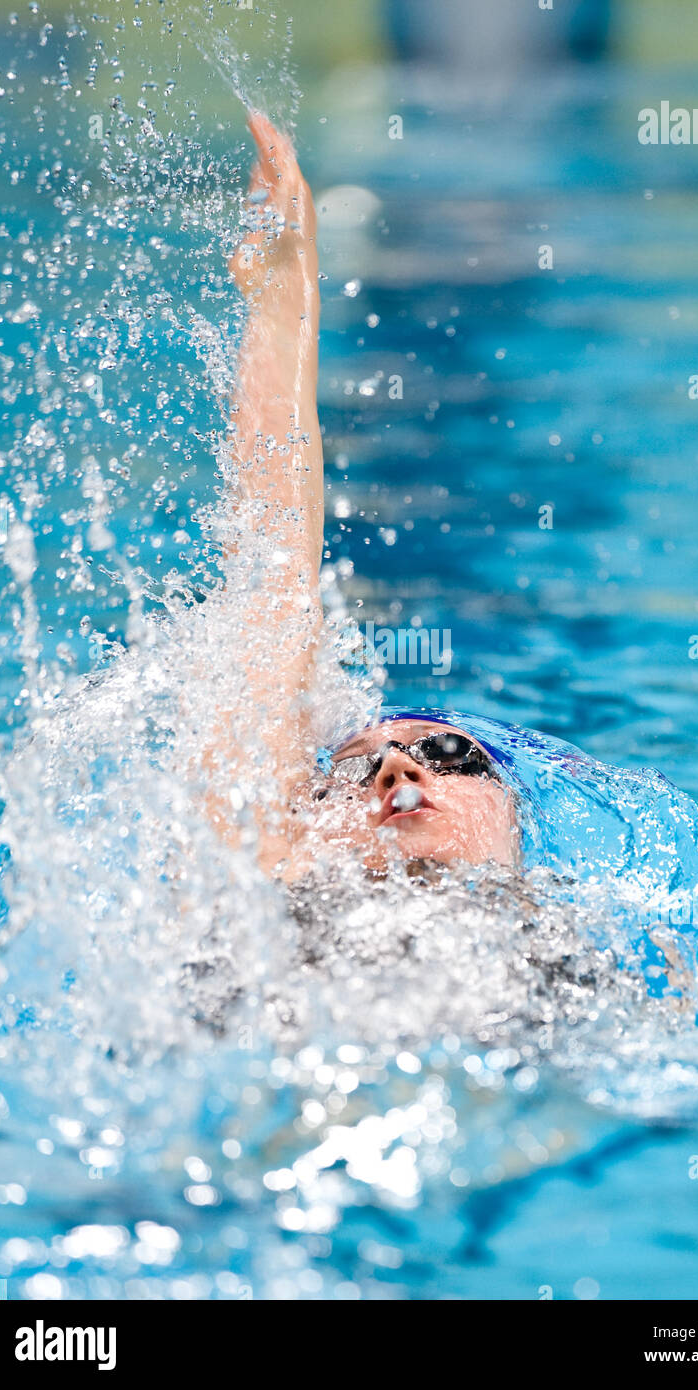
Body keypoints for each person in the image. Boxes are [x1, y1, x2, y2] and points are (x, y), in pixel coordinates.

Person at [205, 113, 519, 883]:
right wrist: (279, 299)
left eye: (448, 754)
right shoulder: (263, 904)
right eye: (352, 773)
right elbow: (271, 596)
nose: (397, 777)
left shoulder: (606, 949)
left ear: (519, 813)